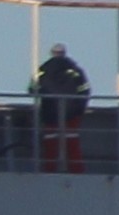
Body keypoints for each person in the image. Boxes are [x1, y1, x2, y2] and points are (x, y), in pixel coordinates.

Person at [31, 43, 90, 172]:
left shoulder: (42, 71)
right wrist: (79, 109)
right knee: (72, 144)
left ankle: (50, 171)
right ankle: (76, 171)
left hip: (50, 112)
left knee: (51, 144)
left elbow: (32, 89)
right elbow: (85, 91)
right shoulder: (75, 70)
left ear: (52, 54)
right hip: (72, 112)